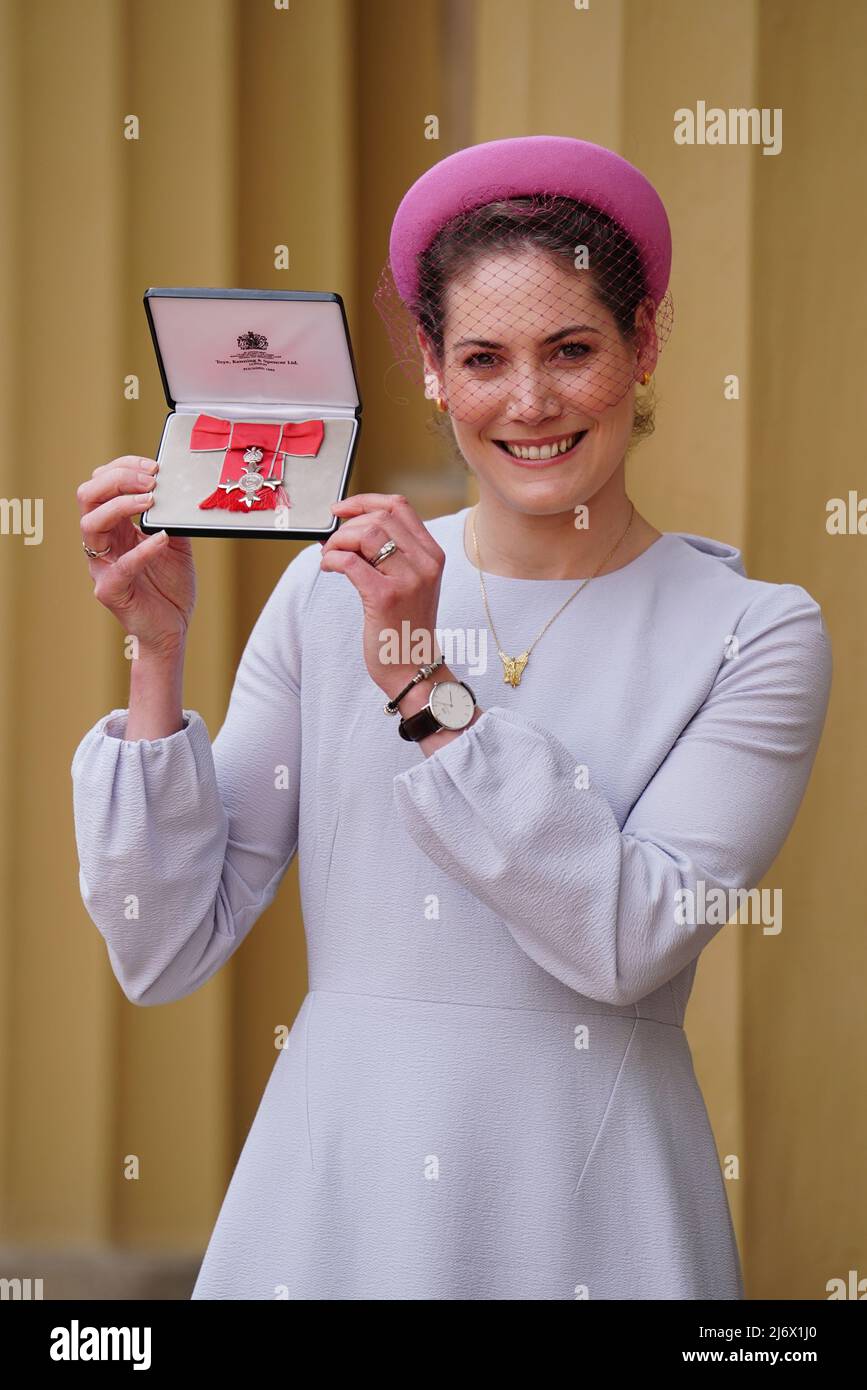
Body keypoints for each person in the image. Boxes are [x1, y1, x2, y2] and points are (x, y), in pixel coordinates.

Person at [72, 136, 831, 1300]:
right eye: (483, 357)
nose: (529, 403)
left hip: (594, 1202)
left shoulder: (754, 631)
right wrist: (157, 657)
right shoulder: (330, 593)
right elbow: (163, 943)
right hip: (337, 1197)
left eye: (573, 349)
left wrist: (427, 692)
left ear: (646, 346)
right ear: (430, 369)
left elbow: (625, 940)